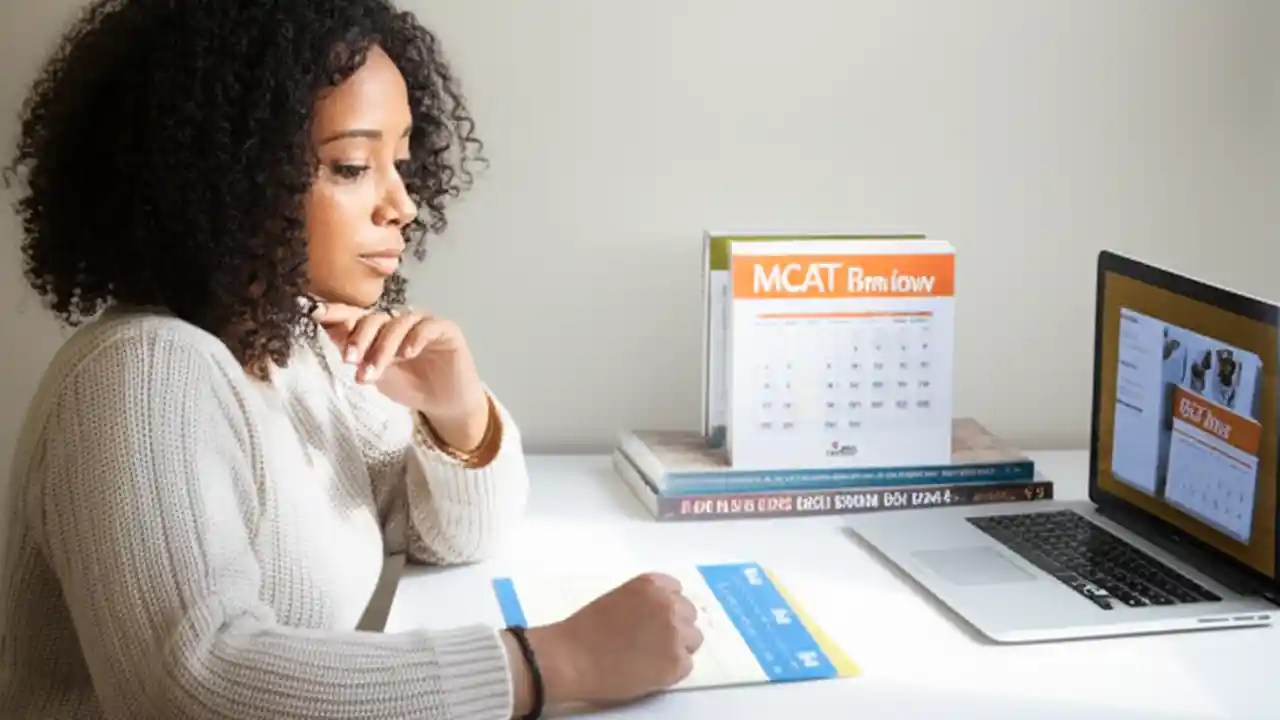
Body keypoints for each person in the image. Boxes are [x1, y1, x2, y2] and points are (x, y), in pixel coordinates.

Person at [0, 1, 702, 717]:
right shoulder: (143, 375)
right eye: (351, 165)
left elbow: (451, 537)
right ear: (226, 174)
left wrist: (455, 414)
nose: (402, 204)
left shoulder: (299, 347)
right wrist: (555, 663)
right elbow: (195, 683)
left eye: (399, 163)